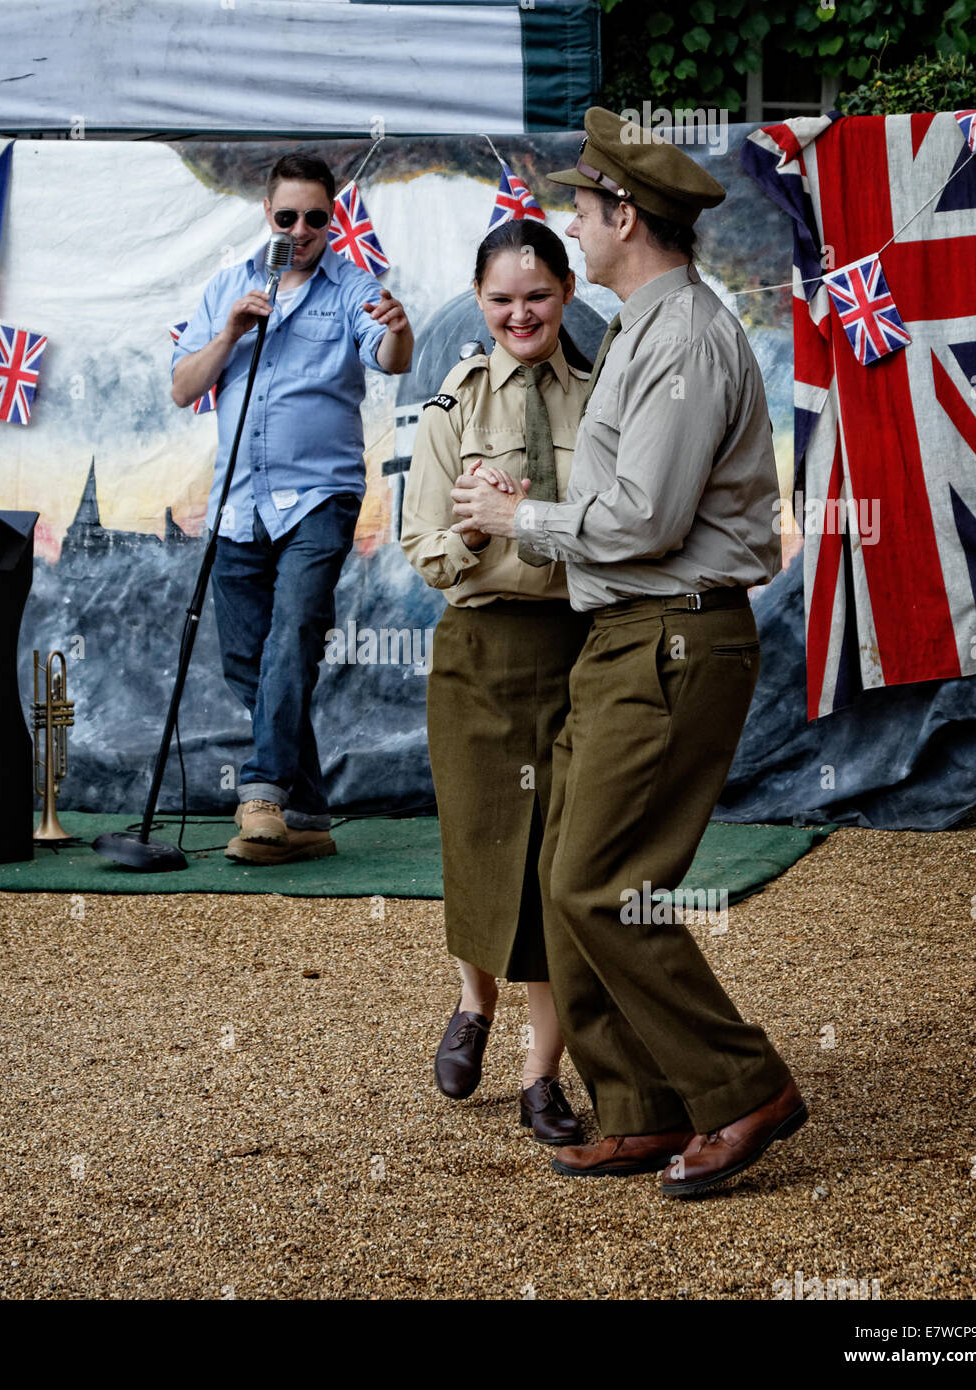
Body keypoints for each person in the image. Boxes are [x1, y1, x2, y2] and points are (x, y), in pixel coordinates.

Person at [449, 107, 806, 1197]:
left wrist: (525, 523)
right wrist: (544, 507)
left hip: (671, 636)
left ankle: (739, 1086)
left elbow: (645, 519)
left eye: (582, 208)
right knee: (572, 880)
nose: (571, 223)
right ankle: (642, 1106)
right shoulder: (650, 331)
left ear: (625, 218)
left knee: (601, 883)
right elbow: (630, 504)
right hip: (637, 634)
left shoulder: (685, 338)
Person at [401, 219, 594, 1144]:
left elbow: (615, 537)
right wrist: (475, 534)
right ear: (480, 304)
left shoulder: (601, 401)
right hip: (476, 658)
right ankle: (473, 1002)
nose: (522, 313)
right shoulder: (451, 407)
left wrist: (530, 516)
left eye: (539, 294)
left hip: (573, 652)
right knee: (482, 853)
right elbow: (422, 550)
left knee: (557, 871)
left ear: (566, 291)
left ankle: (540, 1079)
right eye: (502, 299)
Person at [172, 152, 413, 865]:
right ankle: (307, 813)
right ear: (266, 216)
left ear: (331, 219)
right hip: (238, 504)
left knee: (293, 632)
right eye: (288, 217)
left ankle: (264, 791)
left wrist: (398, 328)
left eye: (316, 217)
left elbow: (390, 355)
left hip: (321, 495)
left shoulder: (353, 287)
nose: (302, 229)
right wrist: (228, 335)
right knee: (248, 662)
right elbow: (184, 387)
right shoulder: (228, 286)